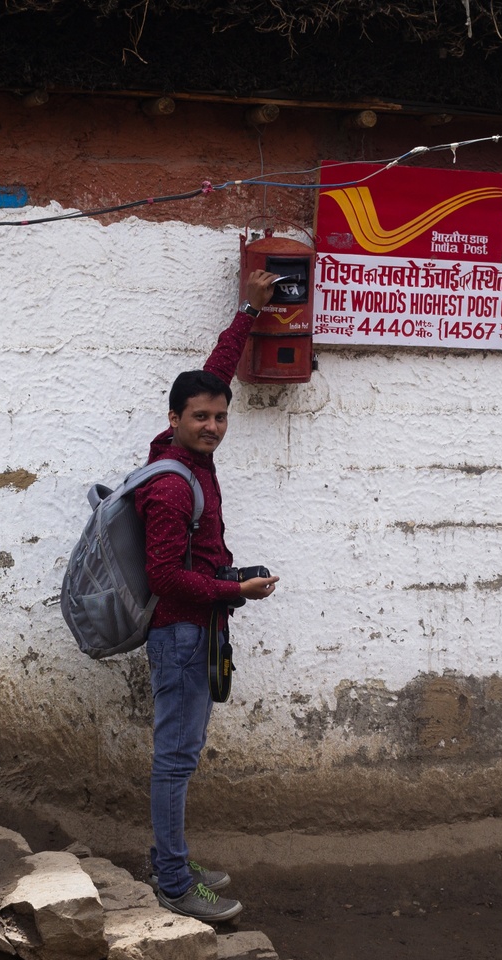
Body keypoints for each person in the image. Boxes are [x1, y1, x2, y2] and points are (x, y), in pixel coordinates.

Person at [136, 268, 282, 923]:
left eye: (221, 417)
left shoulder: (183, 451)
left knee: (182, 756)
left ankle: (169, 858)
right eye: (201, 417)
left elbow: (214, 375)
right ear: (174, 420)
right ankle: (173, 882)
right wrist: (233, 589)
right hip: (181, 633)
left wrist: (249, 311)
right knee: (175, 760)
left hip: (199, 628)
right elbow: (164, 577)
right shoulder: (171, 485)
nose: (214, 426)